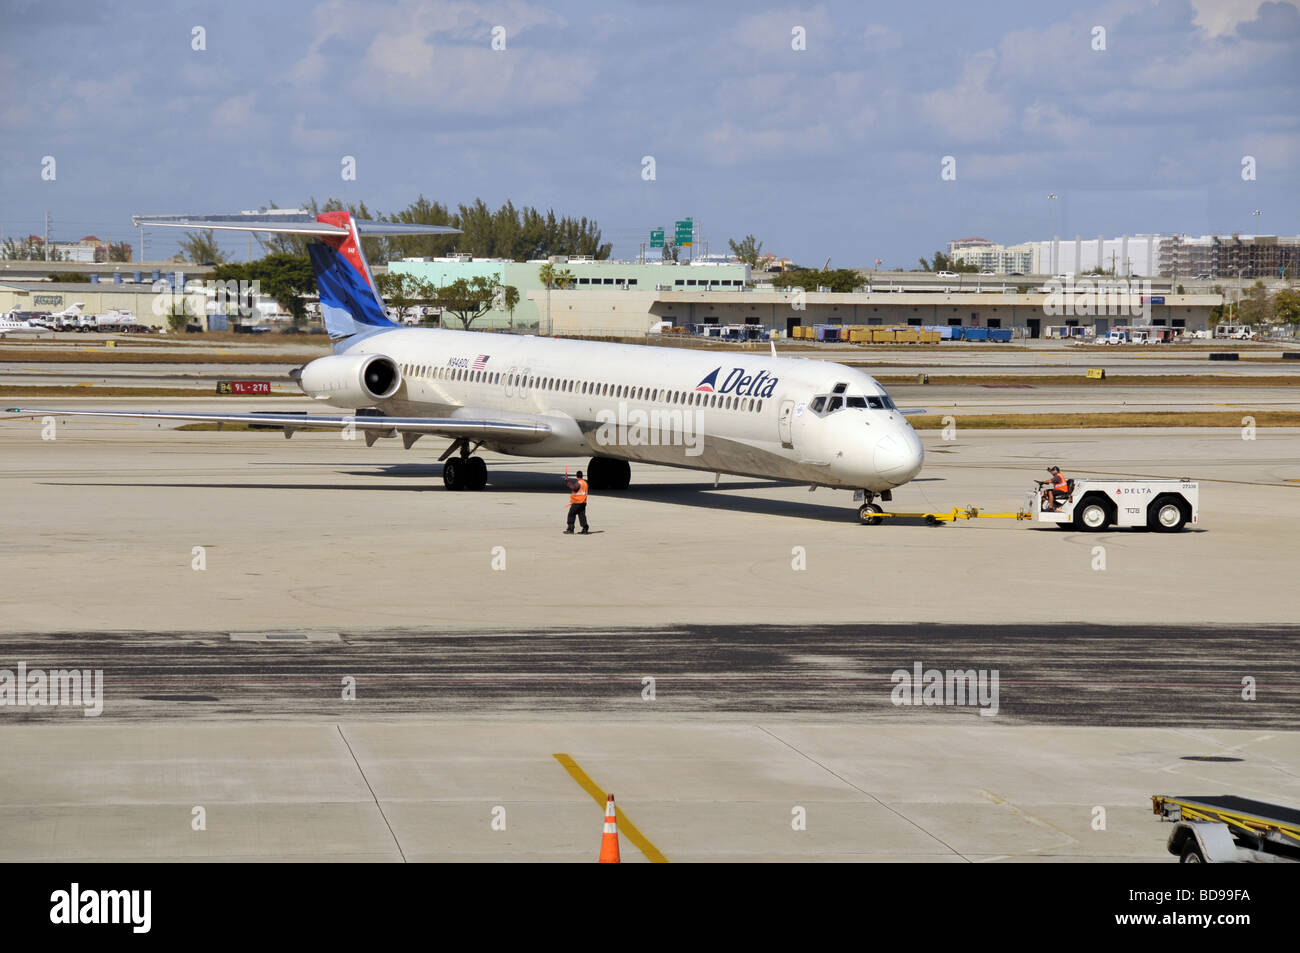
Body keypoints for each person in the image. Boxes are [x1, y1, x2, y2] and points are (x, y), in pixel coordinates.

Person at [563, 469, 590, 534]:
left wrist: (567, 481)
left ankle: (570, 528)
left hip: (577, 502)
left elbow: (574, 488)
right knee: (582, 516)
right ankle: (585, 528)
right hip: (583, 502)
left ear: (577, 476)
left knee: (571, 514)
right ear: (582, 476)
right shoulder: (585, 483)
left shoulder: (579, 483)